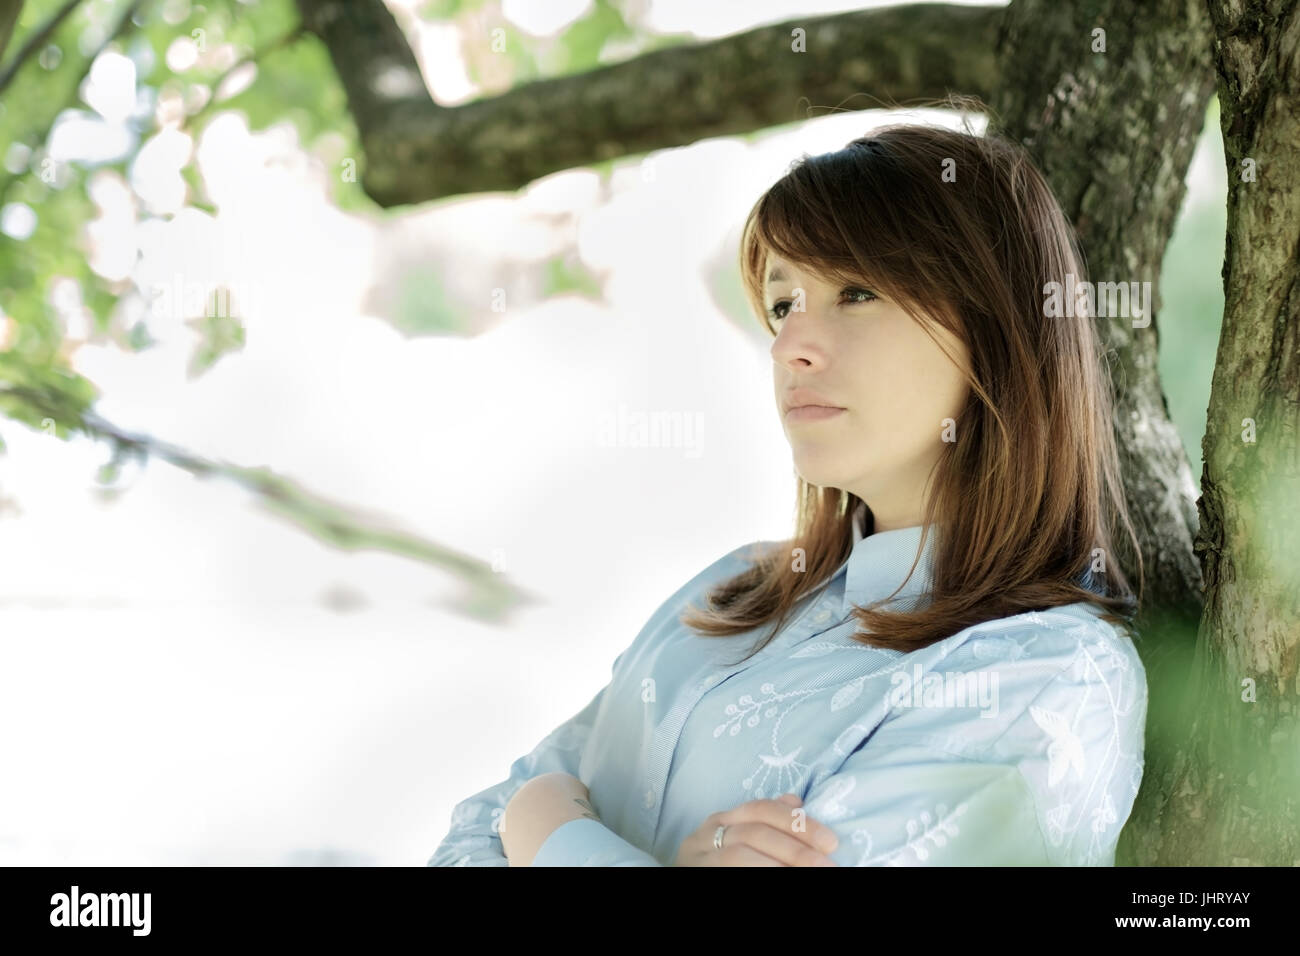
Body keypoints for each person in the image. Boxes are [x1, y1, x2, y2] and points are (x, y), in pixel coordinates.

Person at [427, 122, 1148, 867]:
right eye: (782, 306)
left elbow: (521, 806)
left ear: (996, 326)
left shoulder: (1046, 675)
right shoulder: (730, 591)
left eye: (856, 292)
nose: (787, 346)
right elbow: (464, 840)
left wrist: (547, 822)